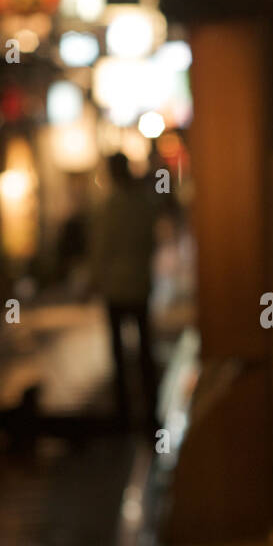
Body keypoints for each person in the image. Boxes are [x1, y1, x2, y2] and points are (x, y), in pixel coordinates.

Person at [96, 152, 159, 429]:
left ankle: (123, 414)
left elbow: (101, 249)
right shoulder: (142, 204)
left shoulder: (110, 207)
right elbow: (150, 242)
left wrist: (94, 280)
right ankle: (151, 409)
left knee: (119, 353)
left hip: (115, 287)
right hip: (139, 284)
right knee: (144, 348)